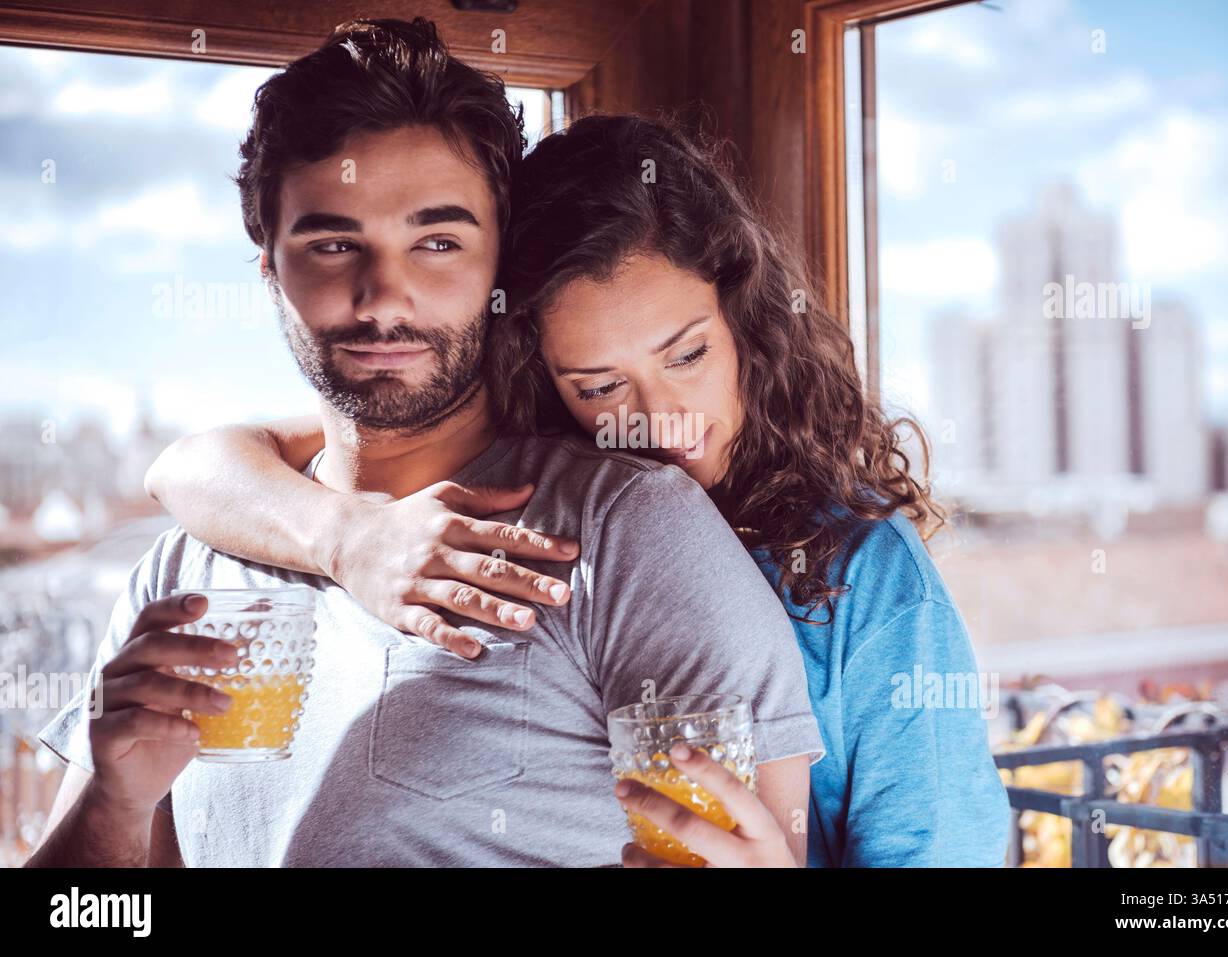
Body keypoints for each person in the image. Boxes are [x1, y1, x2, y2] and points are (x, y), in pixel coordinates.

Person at [25, 17, 826, 869]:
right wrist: (114, 800)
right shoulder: (187, 567)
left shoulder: (633, 532)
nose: (384, 297)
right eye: (333, 243)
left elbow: (757, 845)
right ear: (268, 263)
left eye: (438, 242)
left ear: (499, 268)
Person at [139, 101, 1012, 864]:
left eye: (688, 355)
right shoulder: (552, 512)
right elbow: (196, 464)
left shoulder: (863, 572)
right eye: (599, 384)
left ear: (747, 320)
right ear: (539, 375)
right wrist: (347, 538)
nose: (658, 414)